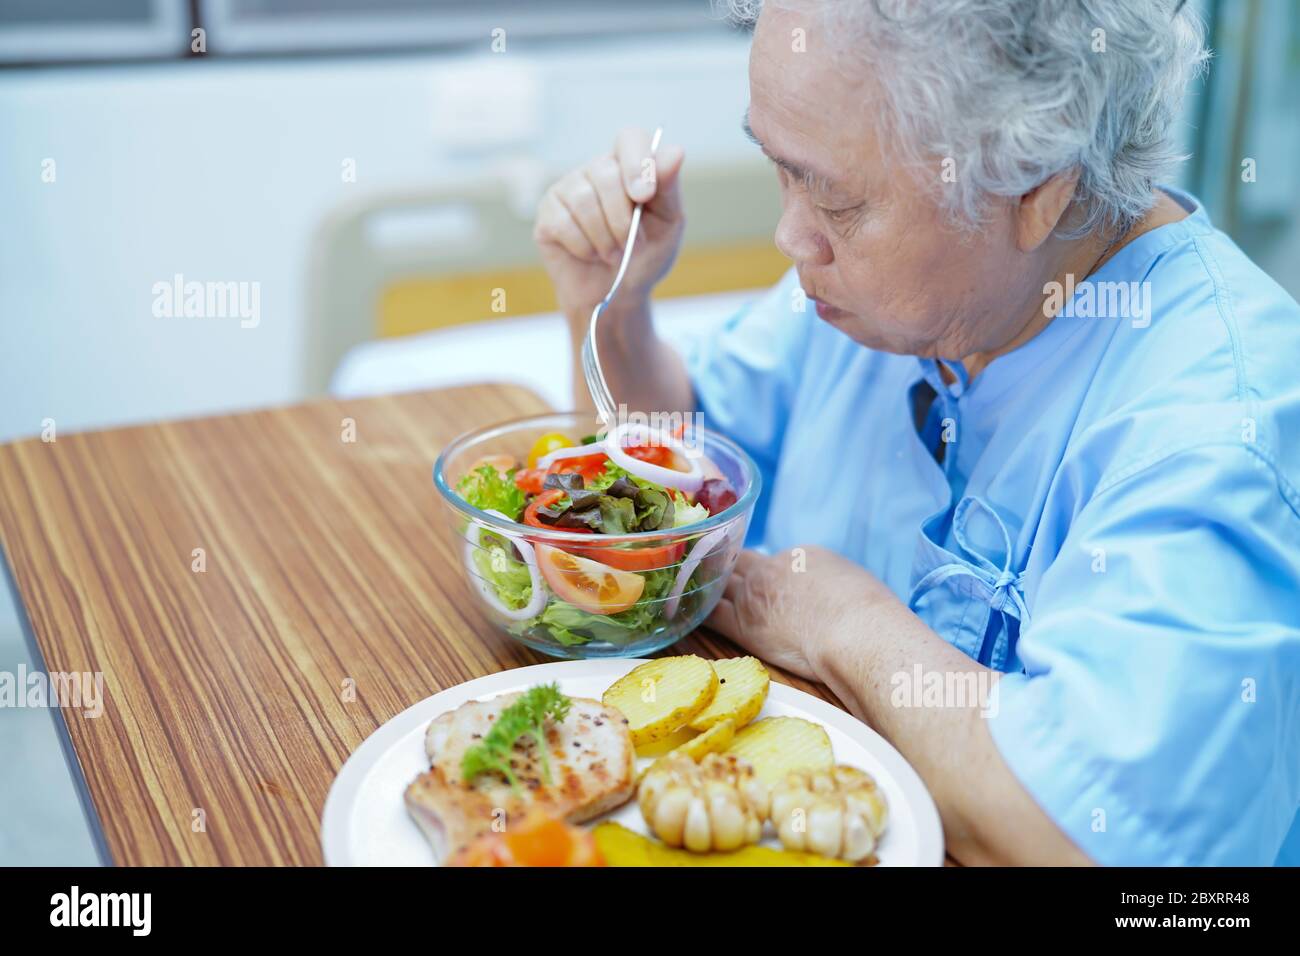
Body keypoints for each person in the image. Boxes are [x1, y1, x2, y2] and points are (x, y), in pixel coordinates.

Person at [532, 0, 1300, 865]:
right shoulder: (874, 309)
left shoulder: (1214, 434)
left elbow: (1092, 844)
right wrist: (614, 311)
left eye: (834, 197)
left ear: (1037, 185)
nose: (790, 237)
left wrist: (841, 619)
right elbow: (669, 479)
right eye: (778, 168)